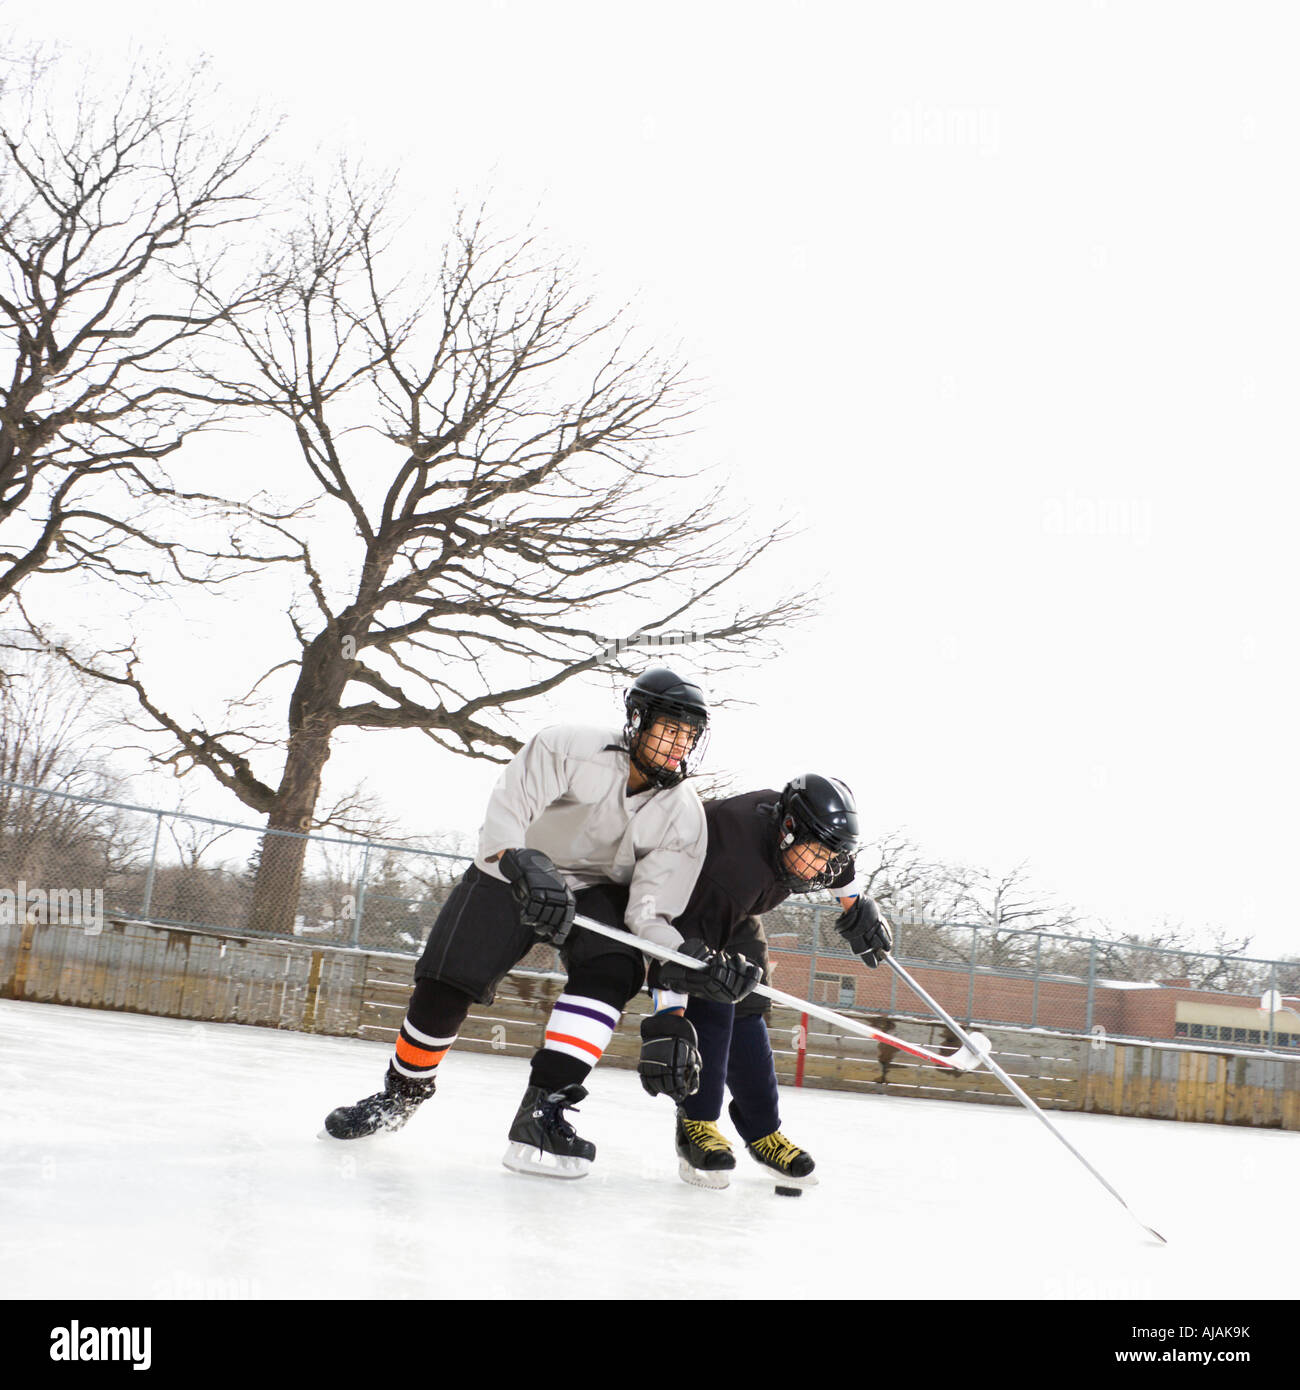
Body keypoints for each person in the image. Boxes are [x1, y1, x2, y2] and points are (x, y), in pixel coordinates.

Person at [322, 667, 759, 1180]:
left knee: (615, 970)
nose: (677, 744)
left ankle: (544, 1108)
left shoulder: (684, 817)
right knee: (446, 983)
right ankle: (401, 1094)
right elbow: (507, 812)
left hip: (597, 893)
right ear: (637, 720)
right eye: (669, 728)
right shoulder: (567, 747)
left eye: (688, 735)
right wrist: (521, 860)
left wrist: (688, 959)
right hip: (514, 870)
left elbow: (650, 913)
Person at [639, 774, 893, 1189]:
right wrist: (670, 1017)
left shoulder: (811, 833)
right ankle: (696, 1126)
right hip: (688, 898)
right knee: (715, 994)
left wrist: (855, 904)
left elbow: (839, 862)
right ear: (789, 832)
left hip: (738, 909)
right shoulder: (737, 862)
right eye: (817, 855)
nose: (822, 869)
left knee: (750, 1003)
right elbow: (675, 962)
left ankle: (763, 1132)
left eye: (831, 856)